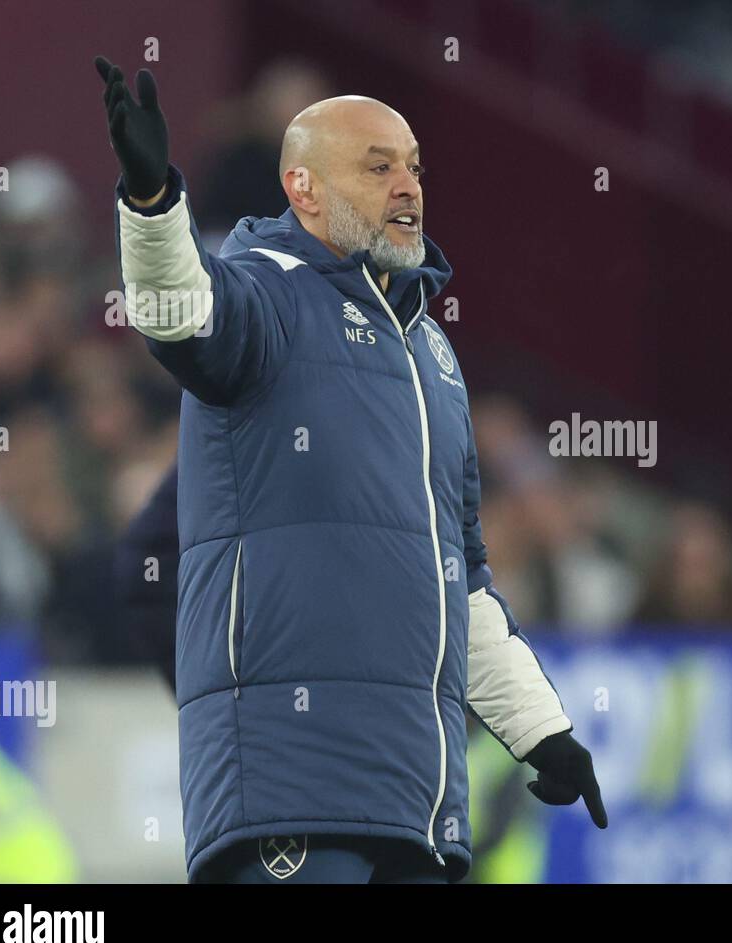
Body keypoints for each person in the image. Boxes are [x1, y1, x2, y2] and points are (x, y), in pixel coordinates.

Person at [94, 57, 606, 883]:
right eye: (377, 167)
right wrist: (155, 206)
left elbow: (460, 578)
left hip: (415, 799)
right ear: (303, 188)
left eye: (413, 167)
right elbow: (176, 316)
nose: (407, 187)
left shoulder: (432, 353)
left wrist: (540, 729)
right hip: (288, 789)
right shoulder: (267, 289)